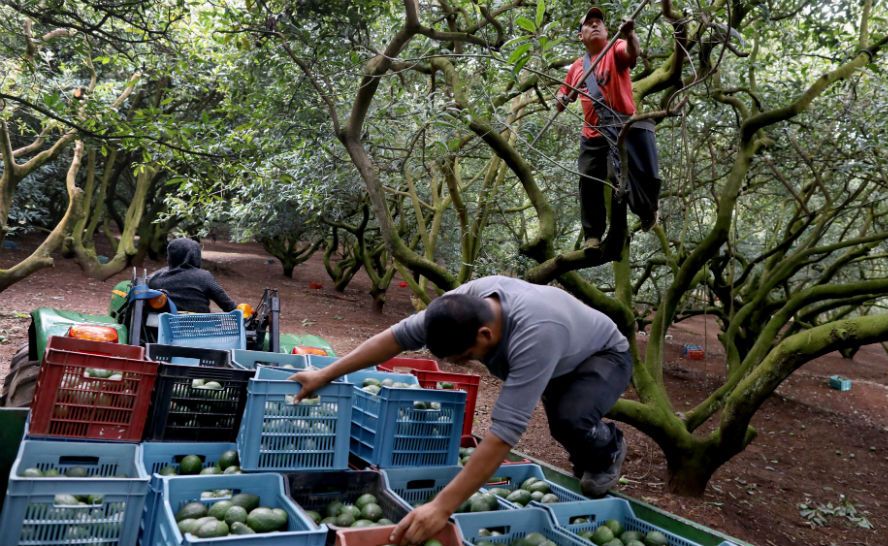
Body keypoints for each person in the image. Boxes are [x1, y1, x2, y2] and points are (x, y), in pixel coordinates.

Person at [291, 275, 632, 545]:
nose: (463, 364)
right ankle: (588, 447)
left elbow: (504, 433)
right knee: (565, 422)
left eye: (465, 357)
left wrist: (442, 507)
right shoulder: (459, 307)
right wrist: (325, 373)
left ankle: (610, 447)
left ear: (485, 334)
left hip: (602, 356)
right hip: (559, 360)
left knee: (571, 420)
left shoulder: (536, 335)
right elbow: (392, 339)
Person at [556, 6, 662, 249]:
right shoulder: (576, 68)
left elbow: (633, 52)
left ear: (606, 31)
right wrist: (561, 100)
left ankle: (640, 215)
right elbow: (562, 98)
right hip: (591, 134)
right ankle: (592, 235)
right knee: (589, 181)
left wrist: (630, 34)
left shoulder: (615, 50)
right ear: (580, 36)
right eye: (588, 23)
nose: (594, 25)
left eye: (599, 23)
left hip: (621, 128)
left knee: (622, 177)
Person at [148, 238, 237, 313]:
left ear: (170, 256)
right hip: (198, 330)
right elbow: (228, 306)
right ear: (195, 256)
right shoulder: (204, 277)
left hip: (161, 330)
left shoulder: (154, 277)